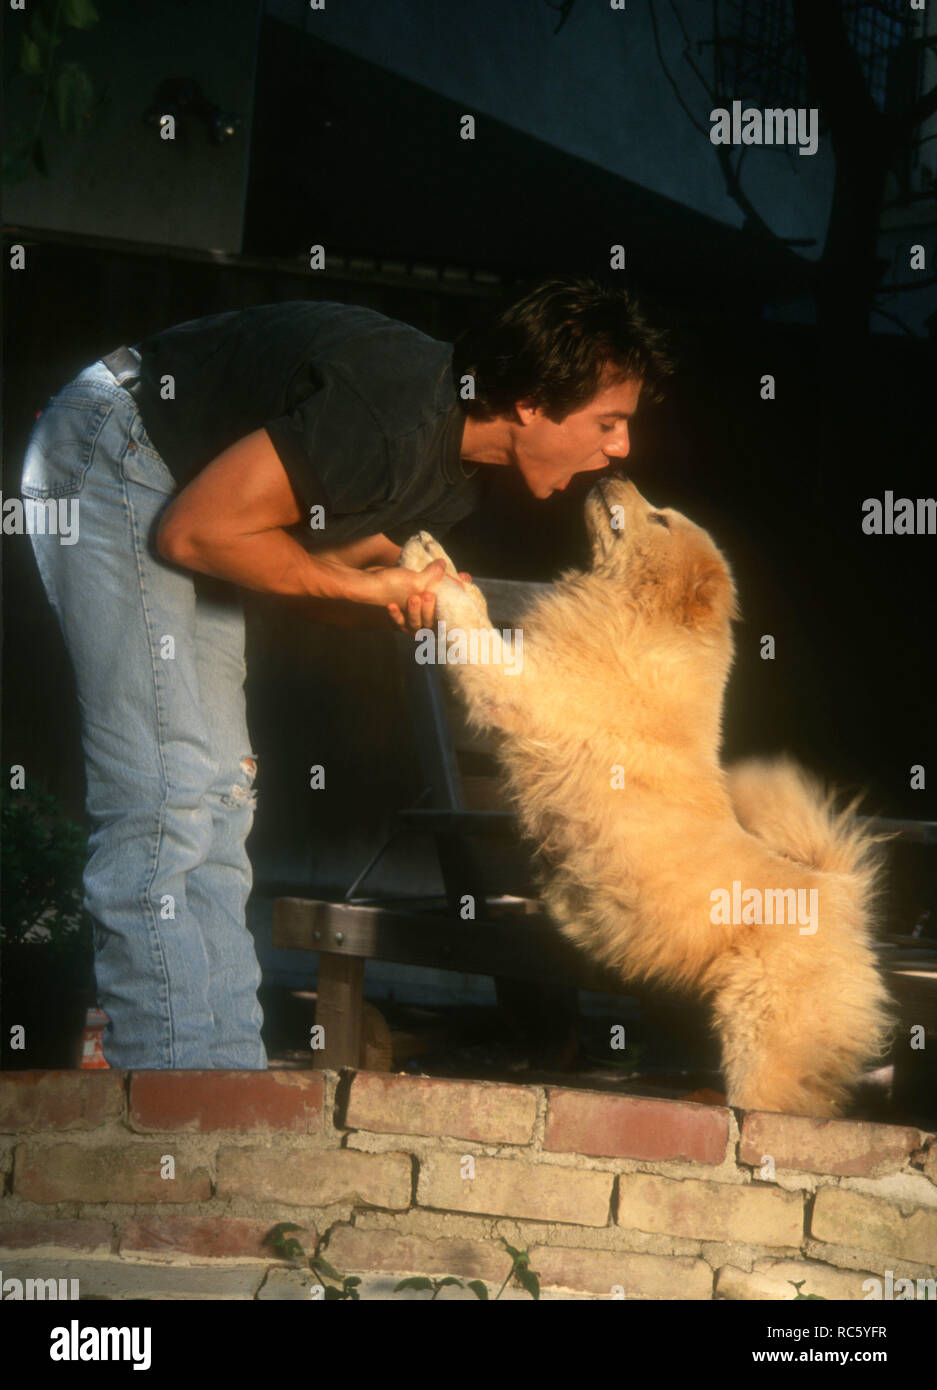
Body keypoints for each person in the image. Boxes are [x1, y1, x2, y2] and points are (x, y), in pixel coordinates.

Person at [20, 274, 672, 1070]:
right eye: (608, 421)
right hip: (116, 449)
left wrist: (405, 594)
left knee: (221, 790)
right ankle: (169, 1083)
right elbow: (197, 534)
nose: (621, 448)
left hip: (191, 494)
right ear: (533, 401)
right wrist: (371, 585)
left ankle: (222, 1077)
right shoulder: (391, 414)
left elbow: (297, 576)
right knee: (161, 787)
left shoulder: (453, 478)